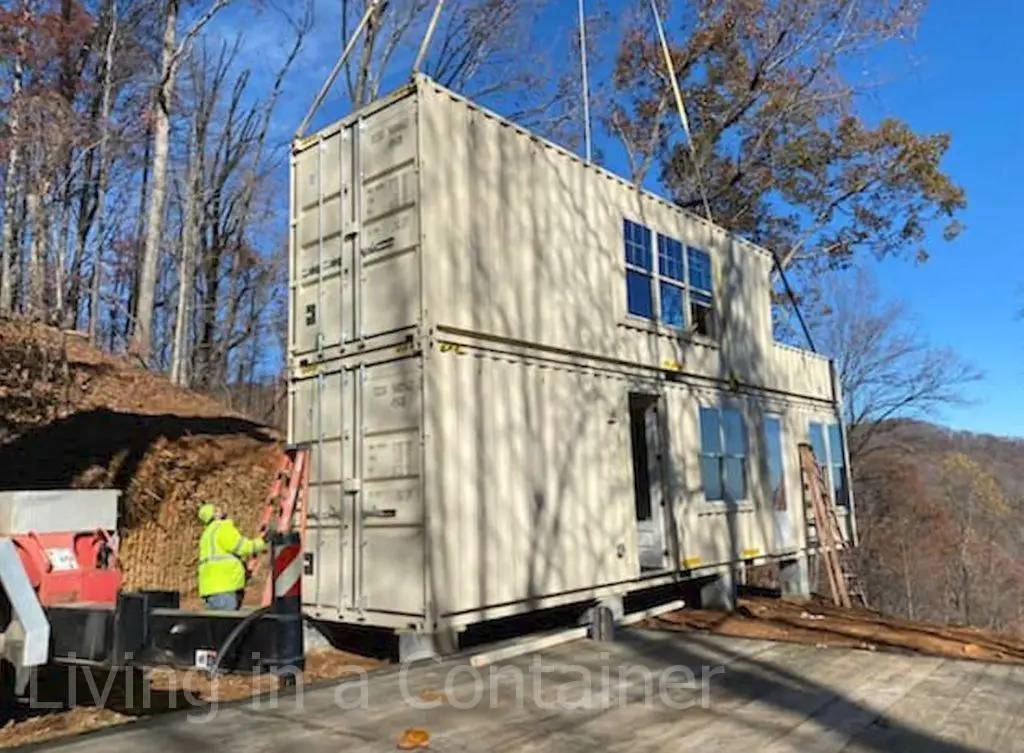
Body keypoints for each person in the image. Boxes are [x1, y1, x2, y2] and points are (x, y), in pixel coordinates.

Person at [196, 502, 267, 610]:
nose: (220, 510)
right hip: (225, 587)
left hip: (210, 589)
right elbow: (242, 547)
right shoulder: (222, 528)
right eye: (217, 509)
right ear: (214, 514)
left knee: (216, 624)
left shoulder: (206, 534)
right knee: (227, 624)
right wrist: (263, 541)